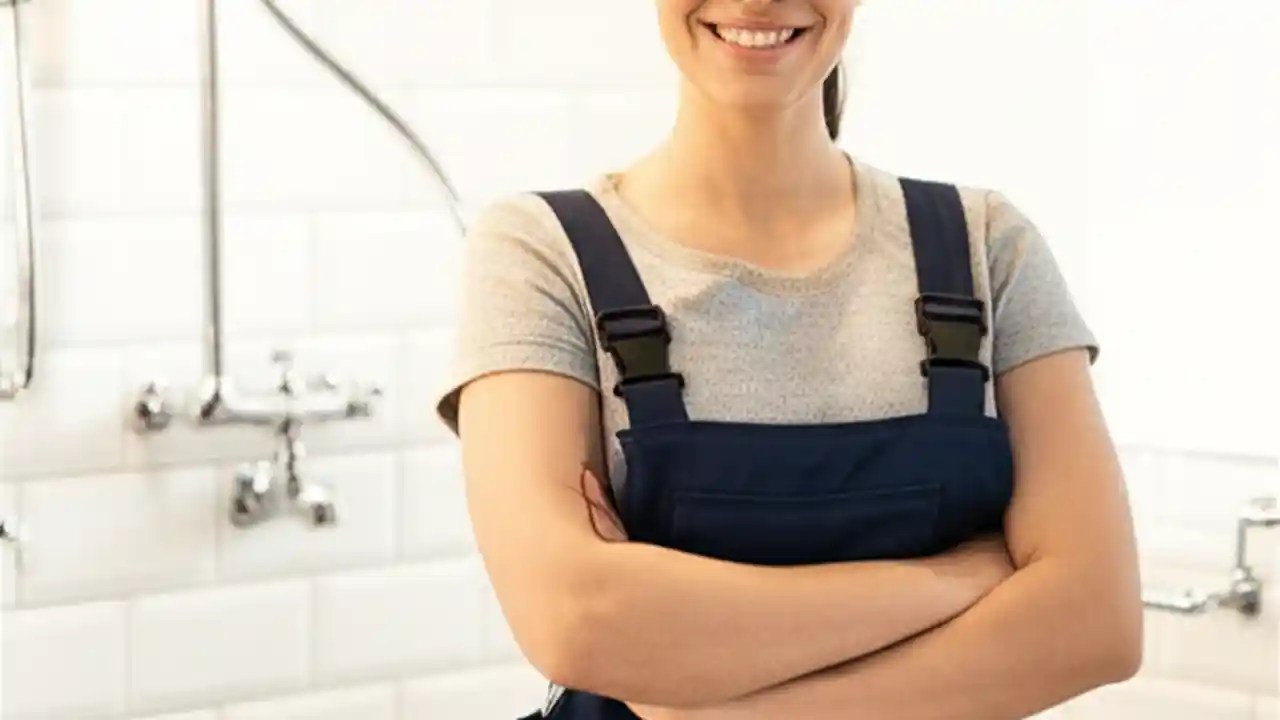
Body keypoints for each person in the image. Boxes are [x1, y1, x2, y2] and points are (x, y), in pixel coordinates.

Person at [434, 1, 1143, 718]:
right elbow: (576, 620)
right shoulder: (539, 254)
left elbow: (1096, 624)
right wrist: (949, 580)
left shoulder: (985, 246)